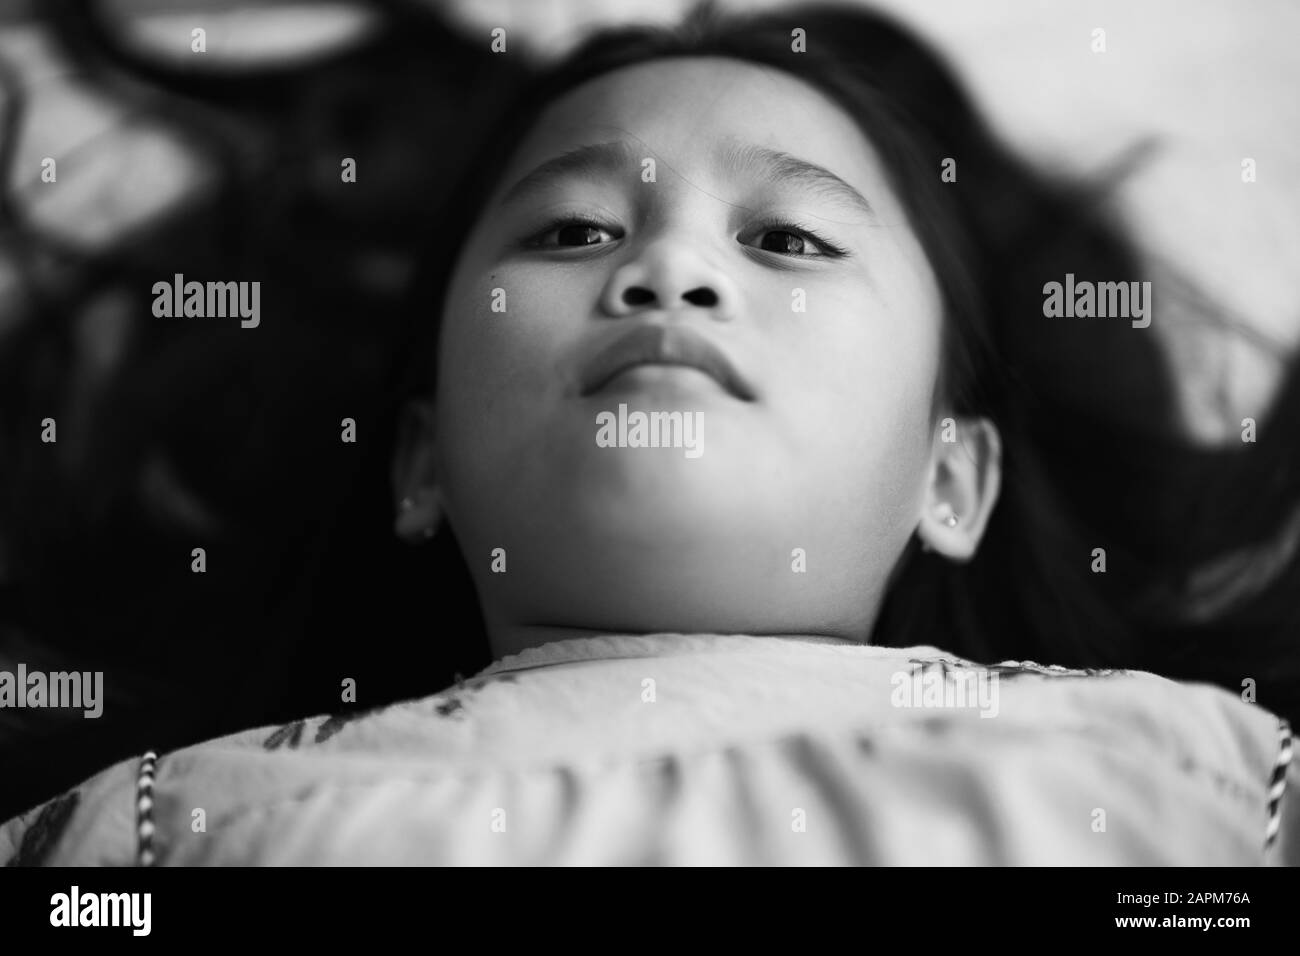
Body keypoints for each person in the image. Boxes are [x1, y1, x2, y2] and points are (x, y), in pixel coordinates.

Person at [3, 1, 1298, 865]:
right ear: (423, 461)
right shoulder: (160, 824)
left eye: (787, 240)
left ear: (949, 479)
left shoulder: (1195, 767)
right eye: (571, 232)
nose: (671, 268)